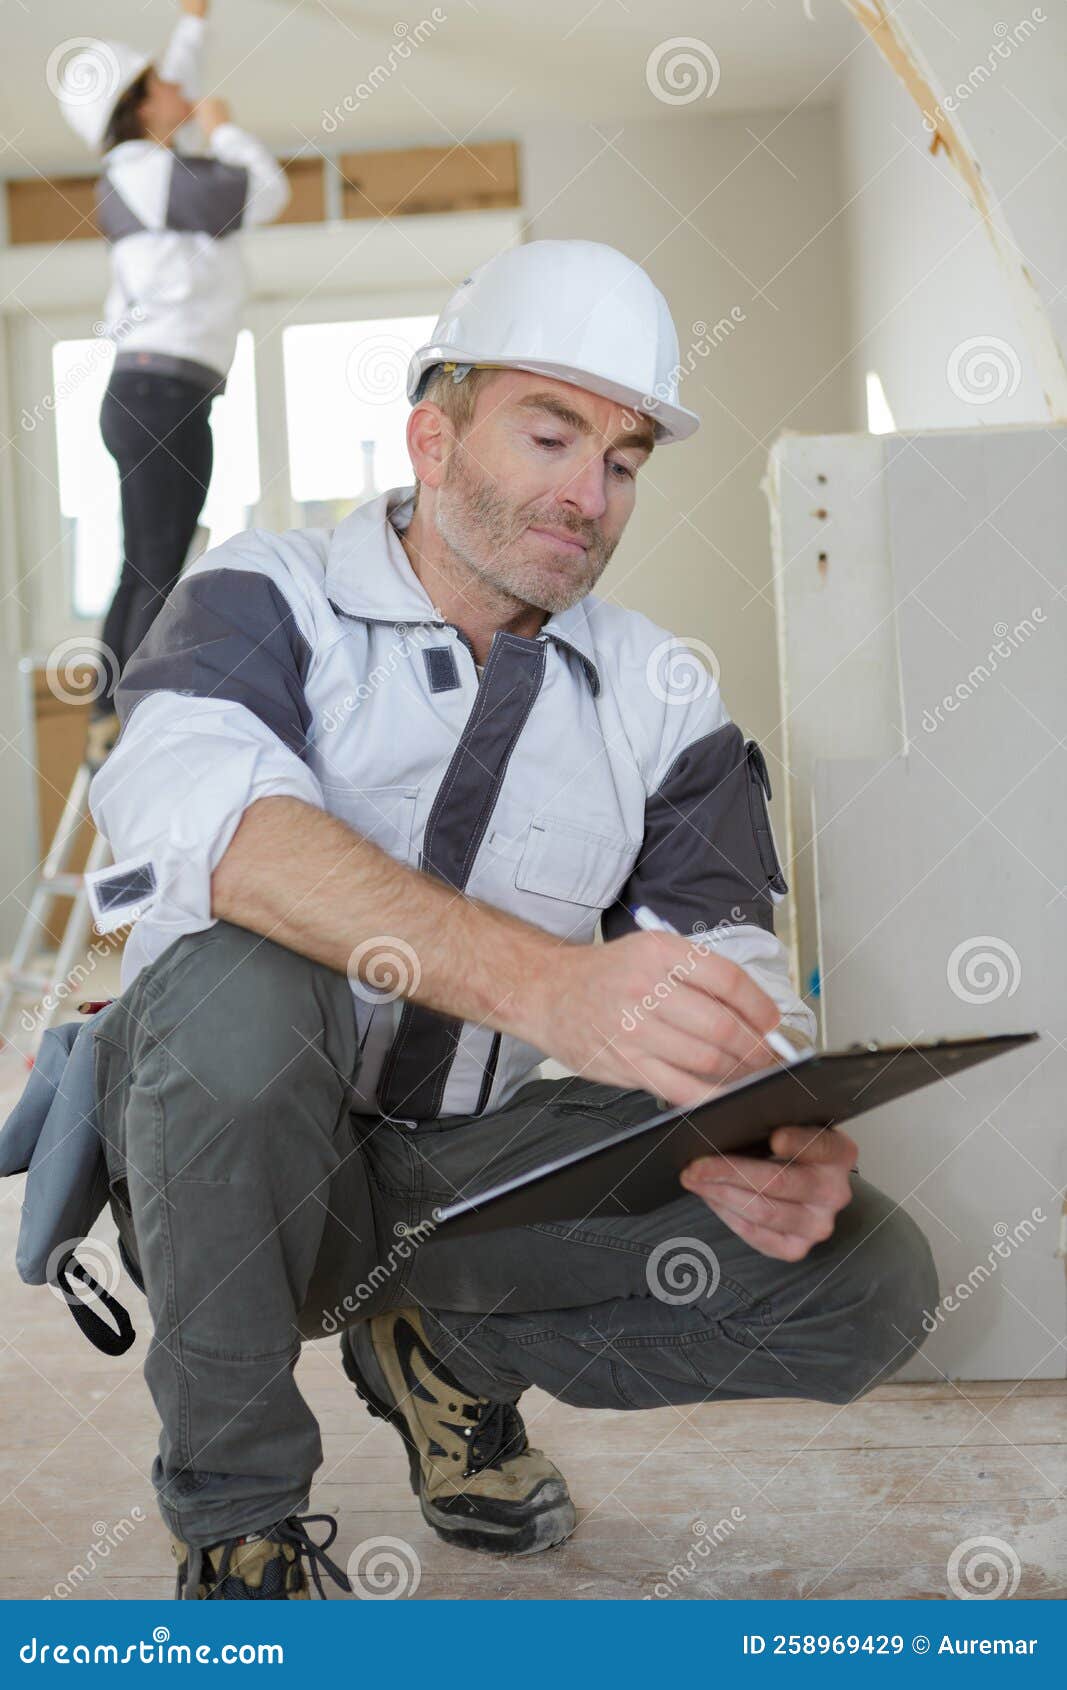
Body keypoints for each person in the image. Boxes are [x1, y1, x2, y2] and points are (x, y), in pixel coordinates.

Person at [87, 238, 938, 1600]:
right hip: (230, 1168)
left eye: (620, 459)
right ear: (432, 436)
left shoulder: (659, 695)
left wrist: (748, 1119)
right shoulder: (263, 596)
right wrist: (552, 988)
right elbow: (220, 831)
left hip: (454, 1185)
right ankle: (238, 1515)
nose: (587, 494)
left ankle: (437, 1357)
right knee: (245, 984)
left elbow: (728, 971)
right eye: (549, 434)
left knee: (868, 1274)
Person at [54, 0, 291, 768]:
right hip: (161, 395)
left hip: (153, 394)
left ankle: (107, 714)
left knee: (148, 557)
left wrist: (191, 25)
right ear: (138, 105)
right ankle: (133, 719)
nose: (176, 88)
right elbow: (266, 192)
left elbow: (173, 84)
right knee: (159, 562)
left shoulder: (140, 166)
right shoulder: (150, 173)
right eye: (157, 81)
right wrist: (222, 129)